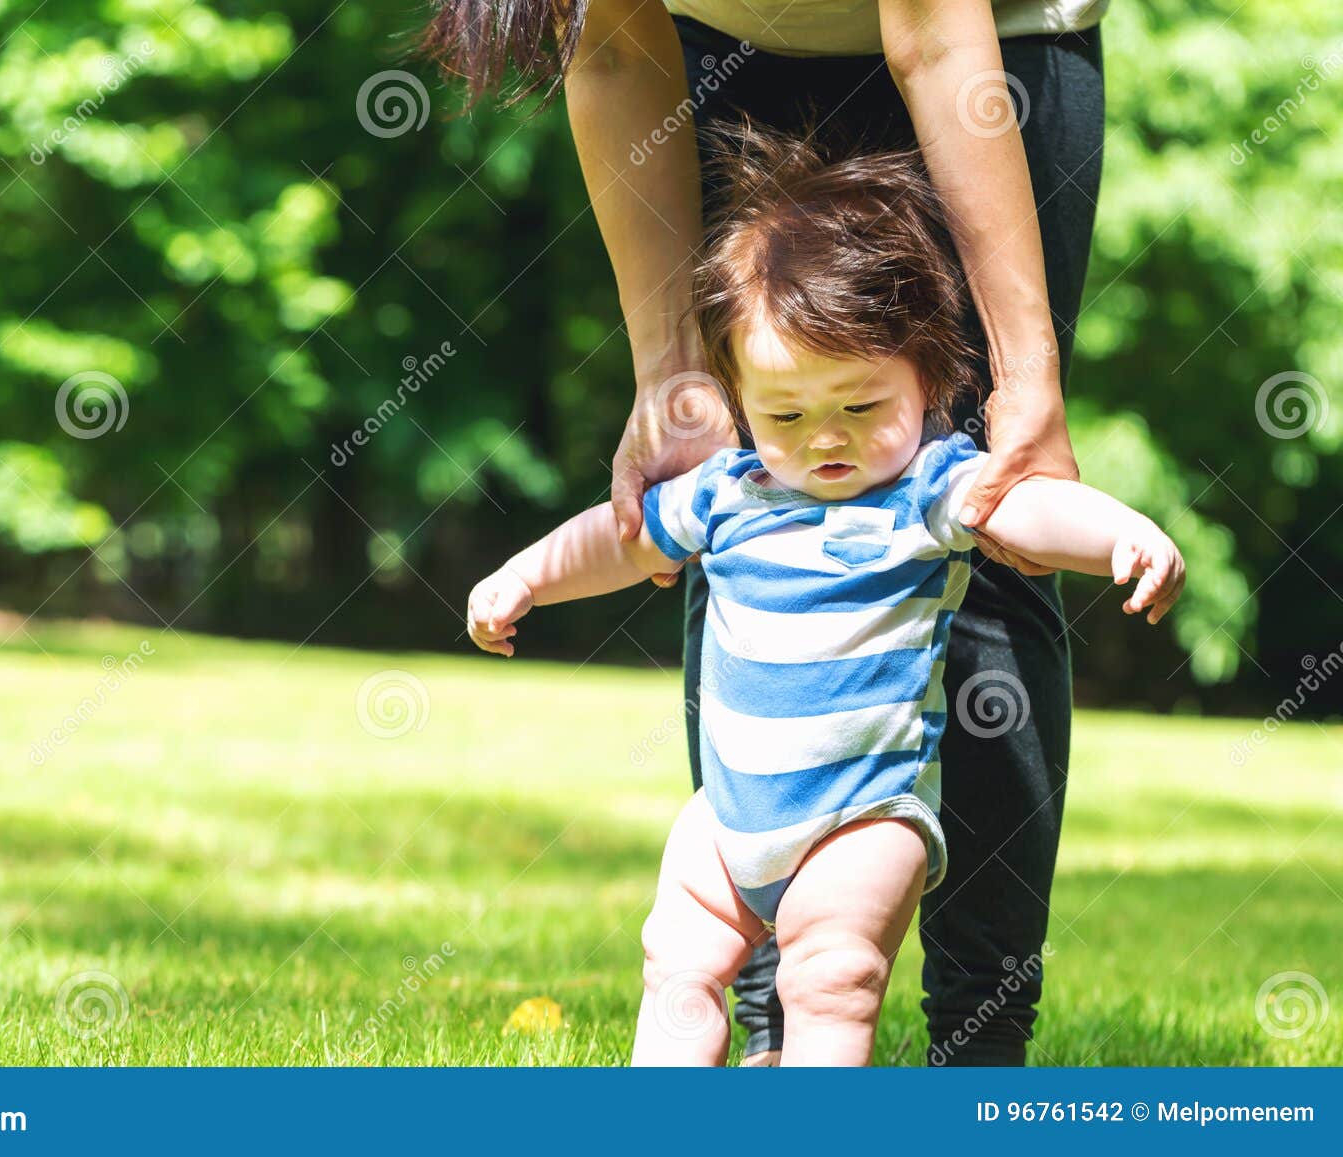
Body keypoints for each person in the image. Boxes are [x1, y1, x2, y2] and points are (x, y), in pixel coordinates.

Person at [421, 0, 1109, 1064]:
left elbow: (932, 29)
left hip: (987, 52)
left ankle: (979, 1047)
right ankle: (772, 1035)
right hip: (727, 55)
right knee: (739, 505)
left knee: (988, 527)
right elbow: (611, 45)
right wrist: (667, 376)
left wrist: (1027, 378)